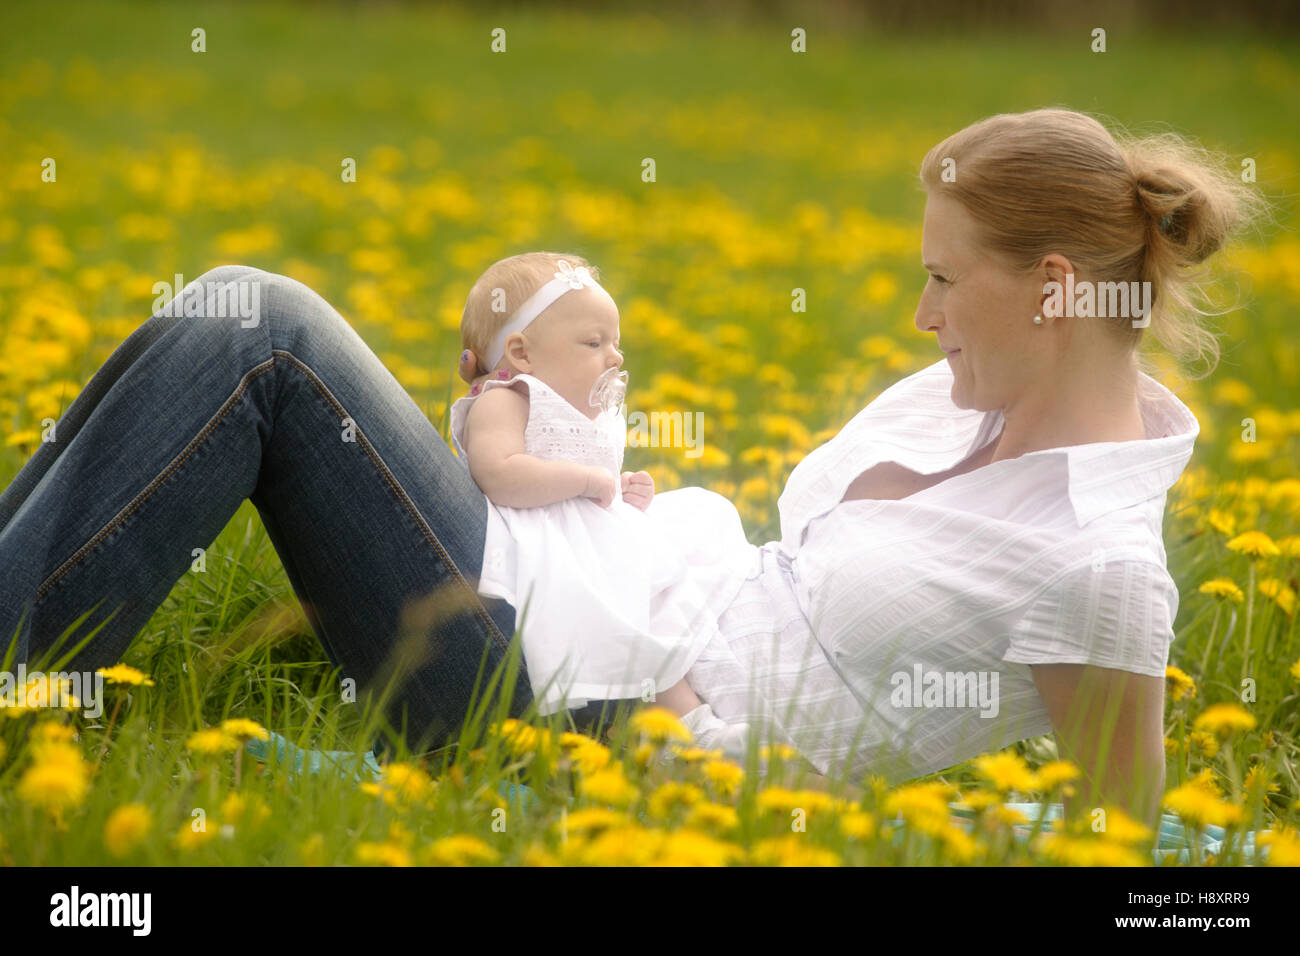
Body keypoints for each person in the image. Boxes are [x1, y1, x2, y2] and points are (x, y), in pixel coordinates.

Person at [0, 107, 1261, 827]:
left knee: (260, 331)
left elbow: (1122, 848)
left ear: (1051, 288)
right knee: (235, 315)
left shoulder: (1096, 560)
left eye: (941, 279)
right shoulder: (966, 399)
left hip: (565, 712)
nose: (920, 316)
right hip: (585, 593)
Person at [448, 251, 752, 754]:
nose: (615, 357)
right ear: (522, 354)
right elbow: (498, 473)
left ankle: (689, 726)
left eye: (616, 343)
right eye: (594, 342)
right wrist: (584, 480)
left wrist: (619, 485)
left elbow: (587, 474)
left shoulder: (568, 410)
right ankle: (683, 736)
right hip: (538, 551)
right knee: (624, 616)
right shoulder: (506, 397)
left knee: (653, 606)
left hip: (584, 539)